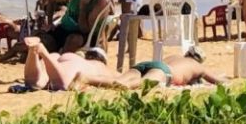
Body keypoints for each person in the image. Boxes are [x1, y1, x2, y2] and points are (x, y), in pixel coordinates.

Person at [42, 0, 112, 53]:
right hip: (64, 28)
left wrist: (83, 8)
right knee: (42, 38)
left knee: (73, 40)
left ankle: (62, 61)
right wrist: (50, 23)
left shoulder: (99, 2)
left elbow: (85, 29)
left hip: (86, 35)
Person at [94, 47, 226, 90]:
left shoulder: (175, 56)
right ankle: (124, 83)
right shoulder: (198, 66)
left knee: (117, 79)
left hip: (148, 64)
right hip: (163, 70)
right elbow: (218, 81)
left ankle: (89, 79)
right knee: (135, 84)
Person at [20, 37, 118, 91]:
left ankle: (34, 51)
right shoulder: (99, 65)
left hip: (57, 56)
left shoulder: (81, 58)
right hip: (71, 64)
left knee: (35, 83)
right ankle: (43, 52)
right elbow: (118, 77)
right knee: (61, 84)